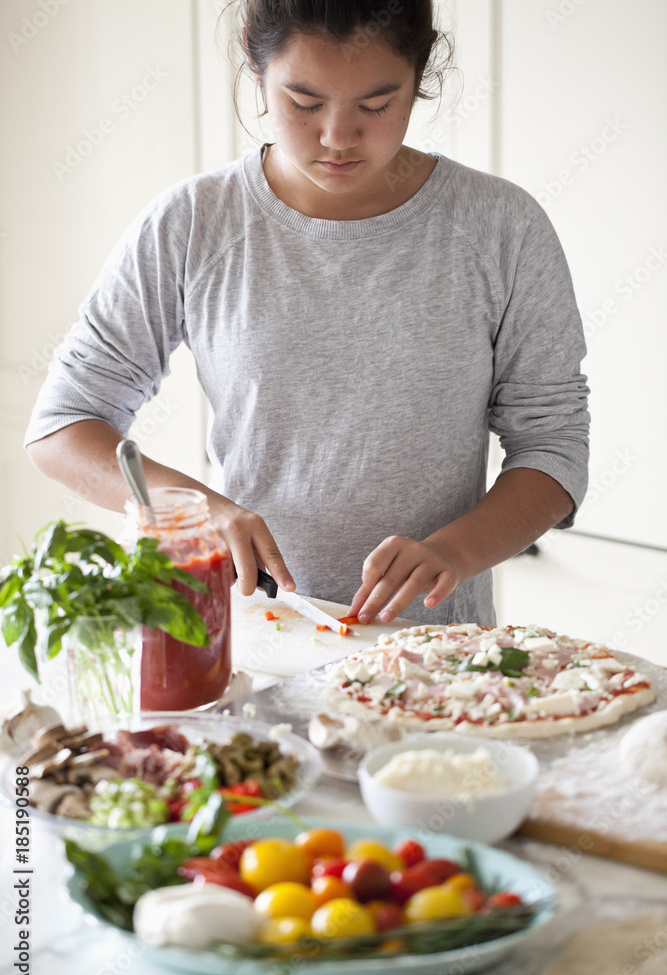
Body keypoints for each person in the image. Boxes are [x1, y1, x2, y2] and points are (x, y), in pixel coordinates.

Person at [25, 0, 589, 628]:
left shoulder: (501, 227)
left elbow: (554, 451)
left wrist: (452, 552)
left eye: (376, 105)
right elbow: (63, 426)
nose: (338, 138)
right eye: (304, 102)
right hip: (254, 638)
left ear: (420, 73)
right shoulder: (192, 224)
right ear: (256, 70)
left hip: (436, 660)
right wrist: (194, 507)